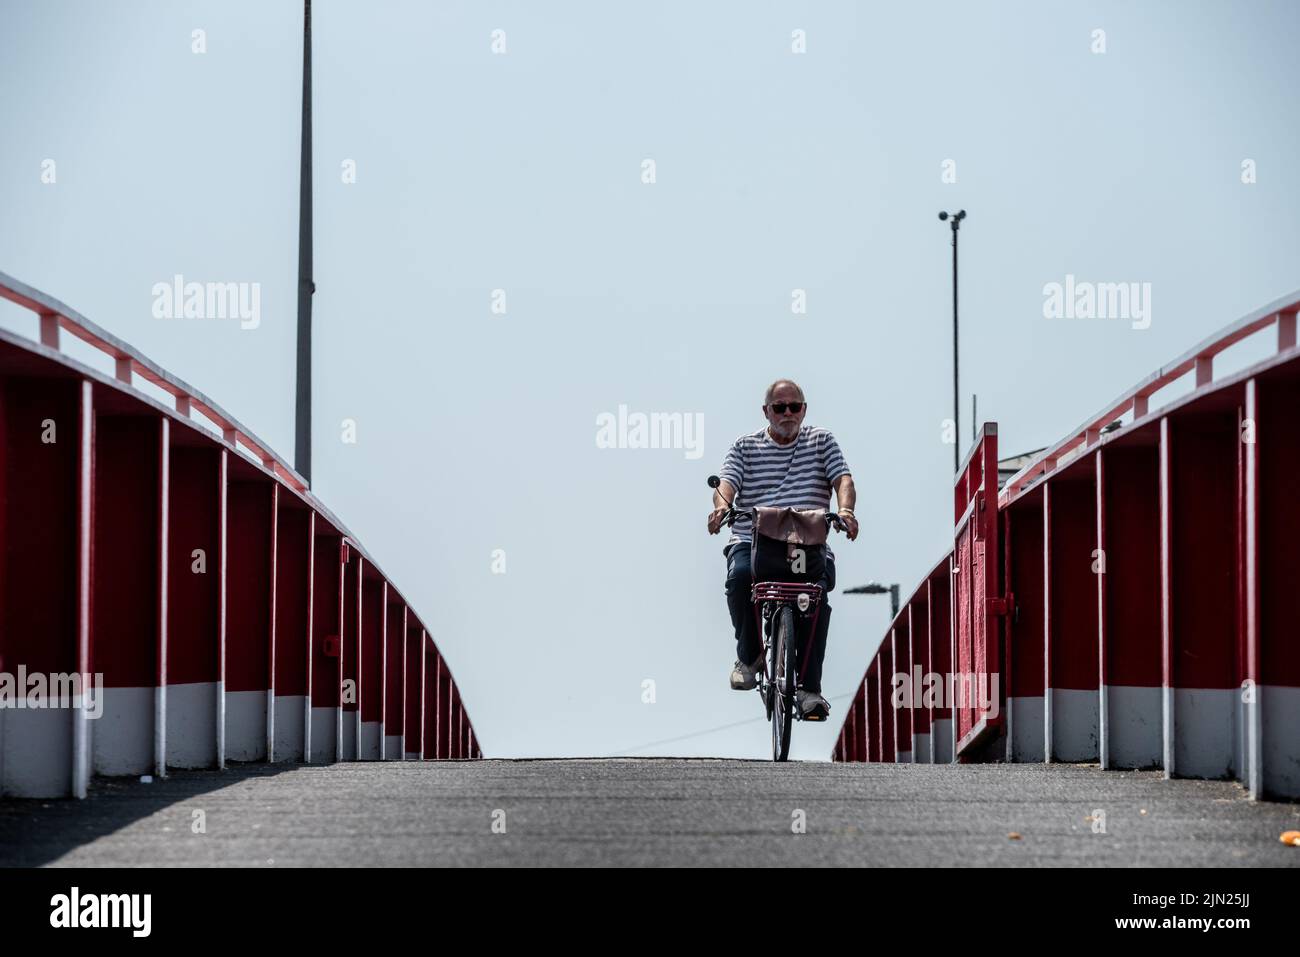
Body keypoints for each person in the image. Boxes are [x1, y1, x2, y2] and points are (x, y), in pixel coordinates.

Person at [706, 379, 858, 718]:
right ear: (766, 412)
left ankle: (808, 691)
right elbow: (726, 483)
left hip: (805, 541)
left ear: (804, 409)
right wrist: (720, 507)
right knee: (740, 577)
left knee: (816, 596)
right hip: (753, 538)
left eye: (795, 406)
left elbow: (843, 480)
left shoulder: (822, 441)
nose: (787, 413)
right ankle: (750, 656)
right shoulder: (744, 447)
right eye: (779, 407)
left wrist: (845, 511)